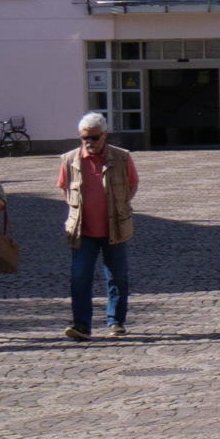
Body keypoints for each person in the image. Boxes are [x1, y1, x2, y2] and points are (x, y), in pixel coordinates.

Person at [57, 112, 137, 341]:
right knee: (80, 277)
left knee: (118, 277)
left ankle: (116, 321)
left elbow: (132, 185)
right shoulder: (69, 160)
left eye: (94, 137)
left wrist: (117, 208)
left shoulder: (122, 158)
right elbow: (64, 188)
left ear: (105, 135)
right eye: (85, 138)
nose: (89, 142)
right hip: (83, 232)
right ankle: (81, 325)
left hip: (115, 228)